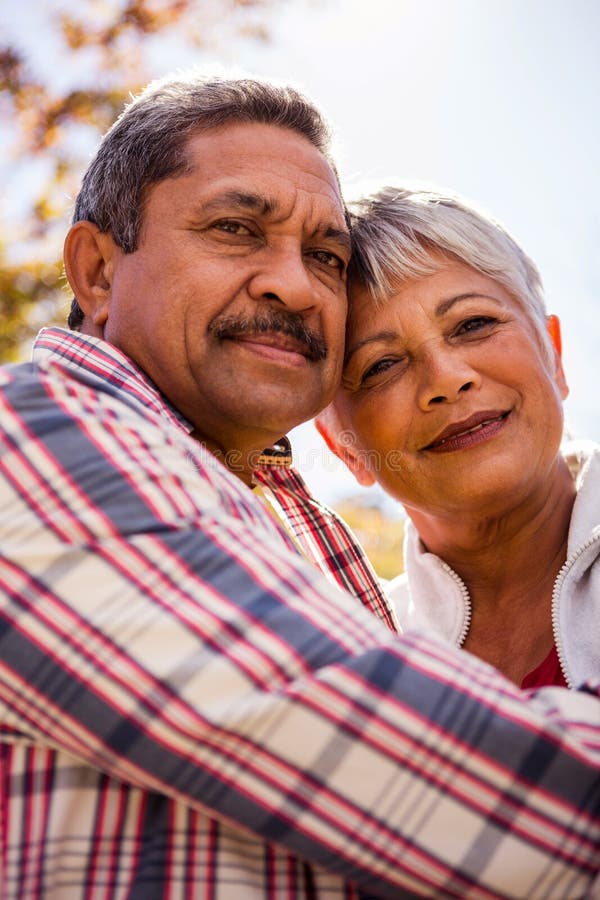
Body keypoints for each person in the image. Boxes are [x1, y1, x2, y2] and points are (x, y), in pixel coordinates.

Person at [0, 73, 599, 900]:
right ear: (97, 273)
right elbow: (529, 818)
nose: (292, 284)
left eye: (325, 255)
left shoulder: (275, 531)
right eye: (236, 228)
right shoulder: (38, 442)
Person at [317, 184, 599, 694]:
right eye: (381, 365)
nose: (446, 378)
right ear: (345, 448)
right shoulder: (352, 663)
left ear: (554, 356)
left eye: (474, 324)